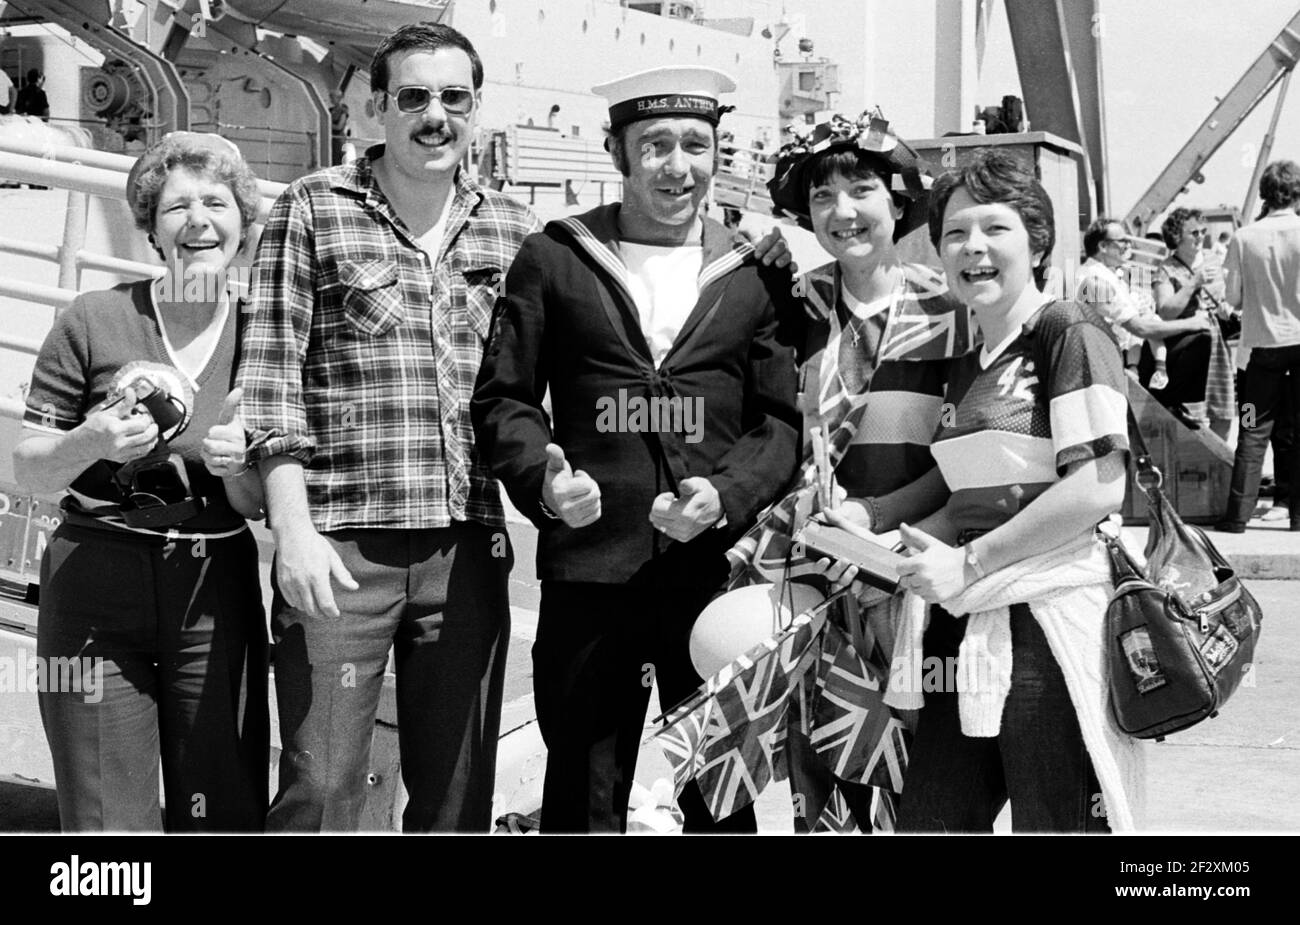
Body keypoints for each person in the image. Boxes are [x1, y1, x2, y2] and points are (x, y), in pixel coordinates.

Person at [471, 65, 801, 833]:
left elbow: (780, 422)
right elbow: (505, 399)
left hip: (714, 575)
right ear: (616, 150)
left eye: (695, 143)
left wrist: (726, 495)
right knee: (582, 790)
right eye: (654, 145)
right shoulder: (554, 258)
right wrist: (543, 481)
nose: (676, 165)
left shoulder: (753, 273)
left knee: (721, 795)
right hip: (591, 567)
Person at [236, 22, 541, 833]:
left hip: (468, 547)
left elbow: (539, 385)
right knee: (321, 785)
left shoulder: (515, 231)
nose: (434, 115)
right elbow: (269, 384)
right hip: (341, 551)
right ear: (379, 108)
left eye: (454, 98)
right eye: (413, 96)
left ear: (476, 110)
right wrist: (292, 533)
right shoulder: (312, 209)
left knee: (455, 797)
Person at [12, 132, 269, 831]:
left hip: (214, 584)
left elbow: (255, 504)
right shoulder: (93, 319)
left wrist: (239, 466)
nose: (197, 220)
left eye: (216, 202)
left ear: (243, 224)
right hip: (96, 578)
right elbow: (27, 468)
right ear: (153, 227)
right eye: (176, 206)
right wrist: (90, 438)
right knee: (104, 818)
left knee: (223, 811)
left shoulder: (263, 333)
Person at [888, 149, 1144, 832]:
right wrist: (887, 548)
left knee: (1055, 821)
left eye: (994, 228)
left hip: (1048, 623)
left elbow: (1096, 487)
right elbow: (969, 502)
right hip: (964, 620)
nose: (973, 247)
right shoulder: (966, 364)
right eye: (955, 233)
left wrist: (968, 561)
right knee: (931, 822)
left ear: (1037, 240)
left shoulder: (1070, 332)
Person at [763, 111, 975, 831]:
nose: (842, 212)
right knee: (820, 762)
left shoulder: (952, 312)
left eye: (861, 190)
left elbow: (969, 455)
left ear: (898, 200)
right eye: (823, 197)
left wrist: (882, 525)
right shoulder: (793, 306)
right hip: (816, 575)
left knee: (922, 776)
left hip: (920, 574)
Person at [1217, 160, 1300, 533]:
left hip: (1259, 353)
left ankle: (1237, 516)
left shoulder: (1243, 237)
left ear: (1265, 193)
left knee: (1252, 429)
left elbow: (1232, 298)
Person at [1139, 207, 1235, 436]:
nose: (1201, 236)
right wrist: (1193, 282)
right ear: (1177, 237)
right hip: (1188, 344)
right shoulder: (1166, 269)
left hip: (1216, 342)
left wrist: (1226, 307)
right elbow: (1166, 312)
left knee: (1223, 409)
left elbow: (1226, 296)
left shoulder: (1213, 258)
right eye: (1194, 233)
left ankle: (1220, 461)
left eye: (1203, 231)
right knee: (1195, 412)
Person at [1075, 217, 1212, 372]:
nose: (1128, 246)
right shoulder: (1096, 280)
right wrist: (1193, 323)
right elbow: (1140, 328)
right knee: (1201, 343)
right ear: (1103, 246)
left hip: (1113, 354)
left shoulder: (1101, 274)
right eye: (1123, 241)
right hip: (1106, 363)